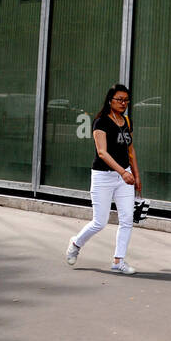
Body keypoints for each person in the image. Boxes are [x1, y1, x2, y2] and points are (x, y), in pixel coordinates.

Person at [66, 83, 142, 274]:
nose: (123, 103)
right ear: (110, 101)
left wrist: (136, 175)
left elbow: (130, 150)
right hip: (103, 177)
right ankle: (76, 243)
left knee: (127, 219)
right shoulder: (100, 122)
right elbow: (102, 152)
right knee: (100, 221)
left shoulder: (126, 121)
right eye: (119, 99)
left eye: (126, 100)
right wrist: (123, 173)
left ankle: (118, 260)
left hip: (124, 176)